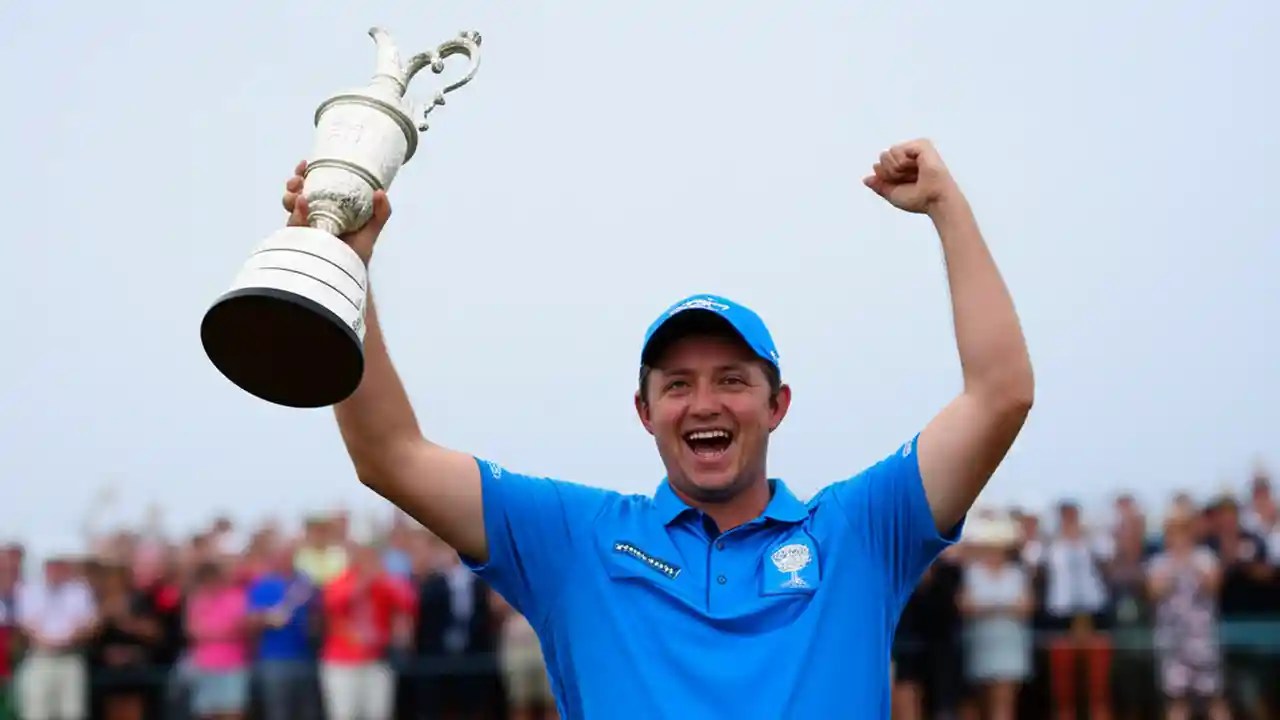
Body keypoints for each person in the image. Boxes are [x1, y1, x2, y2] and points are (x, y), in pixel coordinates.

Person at [278, 137, 1034, 718]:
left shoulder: (863, 531)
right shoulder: (574, 538)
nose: (703, 403)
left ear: (778, 406)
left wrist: (946, 206)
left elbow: (1000, 394)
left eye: (732, 380)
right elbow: (390, 456)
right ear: (645, 413)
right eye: (677, 385)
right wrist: (348, 266)